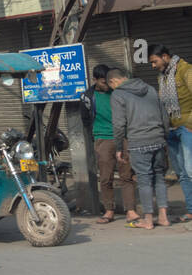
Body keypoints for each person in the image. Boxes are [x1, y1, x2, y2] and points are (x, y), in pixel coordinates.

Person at [108, 67, 171, 229]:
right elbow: (164, 115)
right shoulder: (149, 89)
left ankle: (148, 220)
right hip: (158, 138)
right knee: (159, 177)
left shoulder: (118, 94)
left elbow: (119, 123)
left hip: (138, 141)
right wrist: (164, 136)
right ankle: (163, 216)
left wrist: (119, 146)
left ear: (113, 81)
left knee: (144, 180)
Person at [82, 64, 138, 224]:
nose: (107, 85)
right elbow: (85, 119)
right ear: (95, 80)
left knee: (126, 176)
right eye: (102, 82)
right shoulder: (87, 97)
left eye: (108, 81)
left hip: (123, 138)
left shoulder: (119, 92)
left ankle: (131, 210)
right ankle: (109, 210)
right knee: (106, 178)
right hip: (102, 139)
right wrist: (95, 135)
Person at [151, 44, 192, 221]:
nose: (153, 66)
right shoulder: (163, 77)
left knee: (191, 171)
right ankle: (191, 209)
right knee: (182, 173)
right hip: (172, 130)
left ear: (165, 56)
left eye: (155, 61)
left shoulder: (186, 70)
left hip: (187, 128)